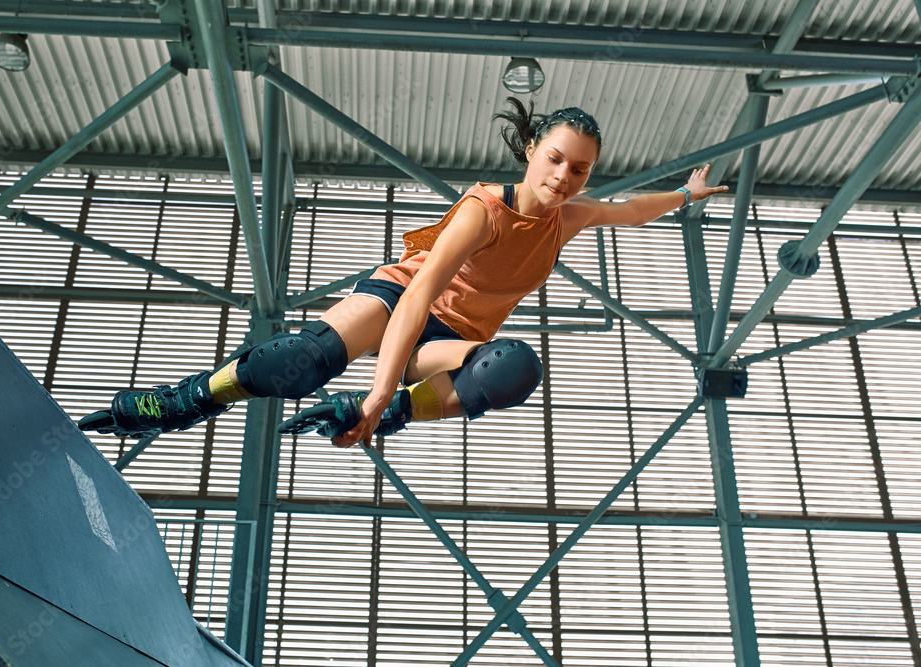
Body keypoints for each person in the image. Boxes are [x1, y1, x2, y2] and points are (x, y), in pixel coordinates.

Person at [78, 97, 727, 448]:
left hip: (450, 334)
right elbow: (418, 293)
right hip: (400, 300)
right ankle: (185, 398)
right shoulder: (483, 211)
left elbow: (633, 208)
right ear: (532, 150)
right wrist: (376, 389)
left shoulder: (570, 216)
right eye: (555, 159)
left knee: (512, 368)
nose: (564, 177)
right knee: (308, 360)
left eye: (579, 169)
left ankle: (389, 417)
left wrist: (689, 196)